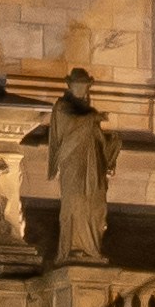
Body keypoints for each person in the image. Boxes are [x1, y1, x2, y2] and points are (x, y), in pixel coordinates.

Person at [44, 68, 116, 266]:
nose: (83, 89)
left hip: (92, 165)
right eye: (79, 84)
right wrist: (93, 119)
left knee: (95, 203)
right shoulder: (62, 106)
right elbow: (70, 126)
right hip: (73, 163)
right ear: (71, 85)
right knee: (75, 202)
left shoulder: (89, 112)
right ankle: (73, 248)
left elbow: (97, 139)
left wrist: (111, 146)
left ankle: (91, 248)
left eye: (85, 85)